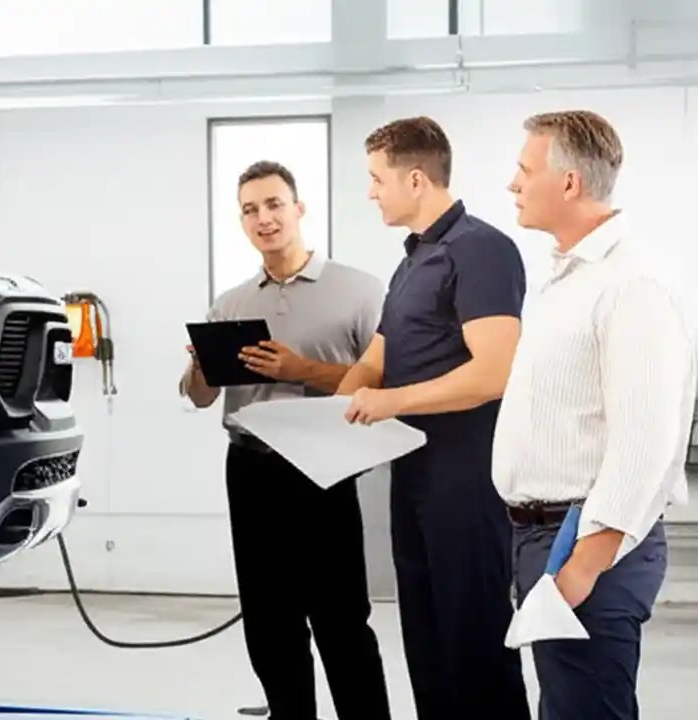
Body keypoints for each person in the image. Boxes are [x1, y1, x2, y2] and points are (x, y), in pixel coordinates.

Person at [493, 109, 695, 720]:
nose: (513, 183)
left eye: (525, 170)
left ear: (570, 183)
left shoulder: (630, 282)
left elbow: (645, 440)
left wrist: (584, 563)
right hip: (541, 537)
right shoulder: (566, 278)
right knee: (564, 705)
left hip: (584, 543)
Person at [181, 160, 391, 720]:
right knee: (268, 618)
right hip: (250, 469)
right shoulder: (230, 305)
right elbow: (201, 396)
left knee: (340, 616)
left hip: (324, 465)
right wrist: (201, 366)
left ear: (299, 209)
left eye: (274, 204)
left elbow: (386, 382)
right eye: (250, 210)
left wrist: (297, 369)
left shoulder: (359, 291)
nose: (264, 218)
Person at [336, 116, 531, 720]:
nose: (371, 192)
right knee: (425, 638)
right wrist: (331, 411)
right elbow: (375, 360)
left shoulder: (482, 250)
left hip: (466, 477)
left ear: (415, 179)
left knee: (473, 640)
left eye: (377, 179)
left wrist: (392, 401)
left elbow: (494, 372)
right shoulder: (411, 264)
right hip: (413, 476)